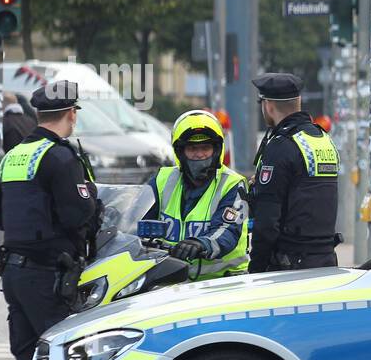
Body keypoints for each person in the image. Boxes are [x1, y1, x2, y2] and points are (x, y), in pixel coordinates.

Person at [0, 80, 103, 360]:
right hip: (46, 274)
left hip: (15, 271)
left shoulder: (14, 156)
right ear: (71, 114)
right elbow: (78, 214)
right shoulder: (60, 158)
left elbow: (1, 217)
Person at [248, 72, 341, 272]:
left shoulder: (281, 146)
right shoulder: (323, 140)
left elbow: (267, 223)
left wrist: (255, 269)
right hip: (326, 260)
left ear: (268, 106)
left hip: (290, 267)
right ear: (298, 101)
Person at [146, 110, 249, 280]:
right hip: (171, 282)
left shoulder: (232, 184)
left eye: (205, 148)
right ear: (180, 152)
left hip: (224, 282)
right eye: (193, 148)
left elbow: (227, 230)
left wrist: (202, 243)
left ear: (216, 150)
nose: (199, 154)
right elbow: (135, 220)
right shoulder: (162, 180)